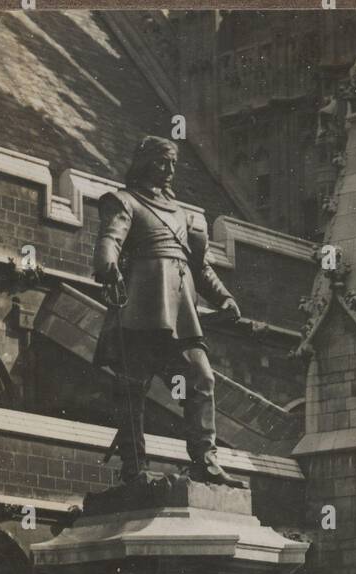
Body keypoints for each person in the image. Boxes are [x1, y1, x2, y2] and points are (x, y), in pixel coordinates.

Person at [93, 135, 247, 487]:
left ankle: (205, 461)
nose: (169, 169)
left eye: (173, 162)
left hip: (180, 311)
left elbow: (200, 266)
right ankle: (133, 468)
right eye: (163, 161)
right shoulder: (124, 201)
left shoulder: (184, 215)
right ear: (145, 162)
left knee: (202, 377)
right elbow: (110, 241)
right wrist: (108, 268)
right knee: (133, 389)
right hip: (141, 308)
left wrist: (224, 297)